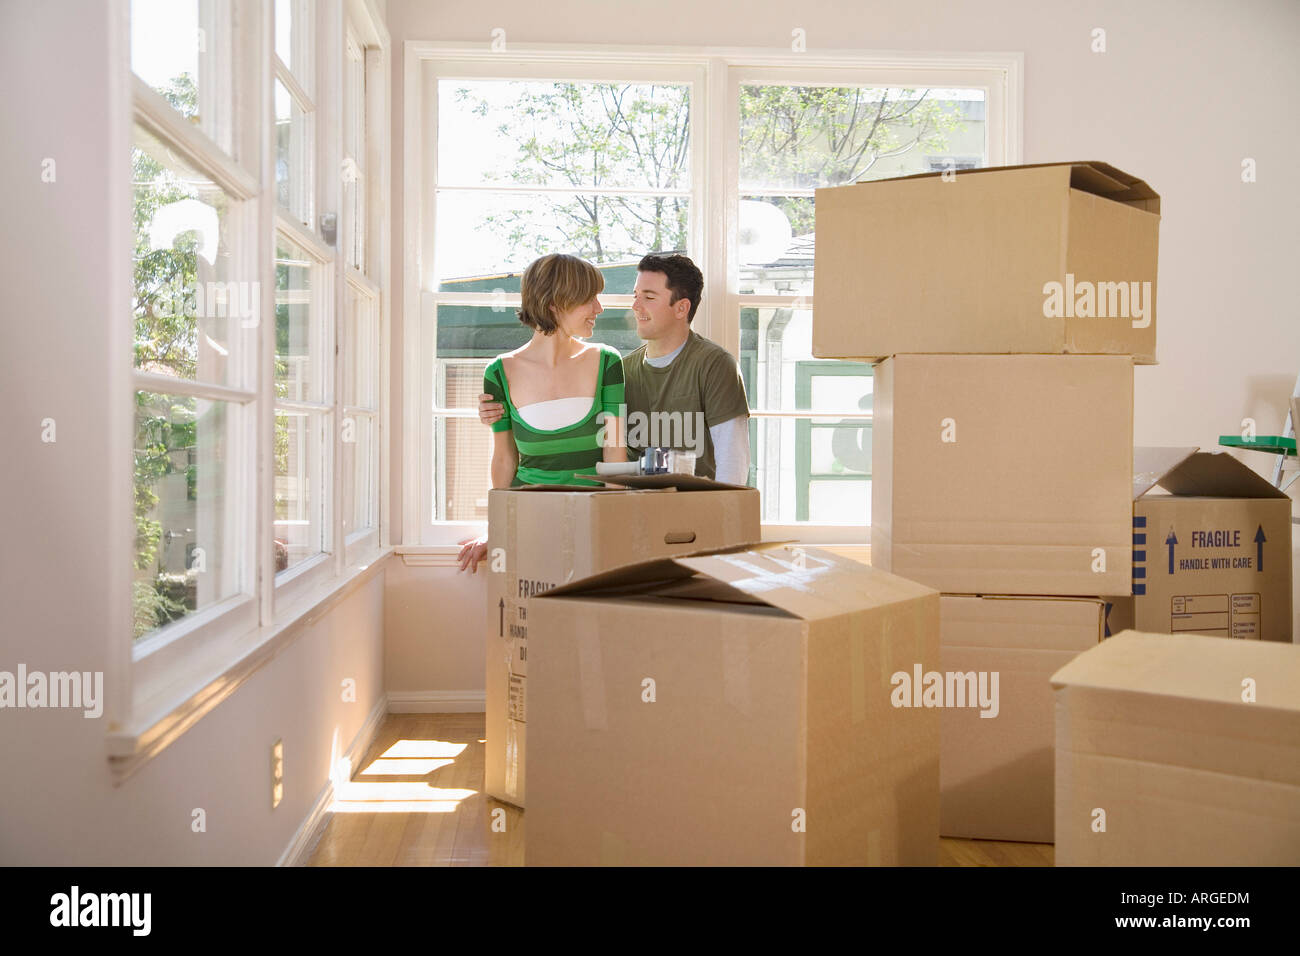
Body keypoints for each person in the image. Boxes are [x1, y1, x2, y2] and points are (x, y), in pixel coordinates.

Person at [477, 253, 750, 485]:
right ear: (556, 304)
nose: (633, 306)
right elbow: (506, 456)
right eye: (636, 295)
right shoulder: (623, 367)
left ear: (682, 308)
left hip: (681, 514)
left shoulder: (711, 365)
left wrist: (722, 517)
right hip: (609, 514)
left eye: (649, 297)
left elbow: (732, 459)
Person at [457, 253, 627, 572]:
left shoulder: (608, 362)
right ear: (555, 304)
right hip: (527, 528)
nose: (598, 309)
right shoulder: (499, 373)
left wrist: (612, 528)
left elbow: (614, 453)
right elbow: (505, 459)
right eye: (589, 299)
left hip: (590, 527)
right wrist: (496, 529)